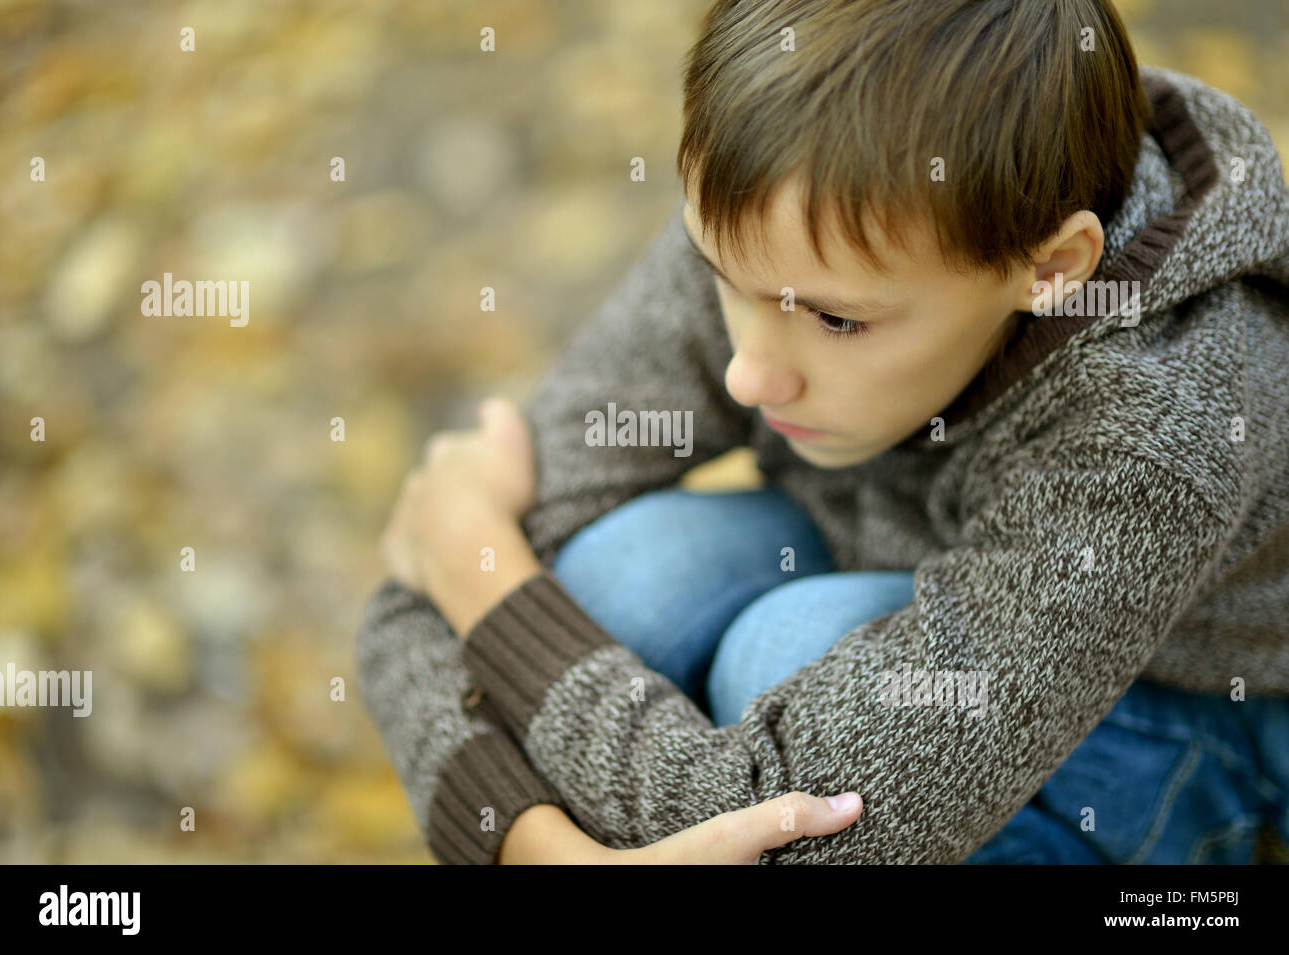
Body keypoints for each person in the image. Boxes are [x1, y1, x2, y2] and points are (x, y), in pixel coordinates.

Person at [359, 0, 1289, 864]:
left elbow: (794, 837)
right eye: (722, 275)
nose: (749, 372)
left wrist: (476, 563)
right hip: (915, 577)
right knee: (618, 579)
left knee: (779, 646)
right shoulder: (788, 211)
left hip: (1197, 720)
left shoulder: (1163, 429)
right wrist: (532, 840)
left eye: (838, 322)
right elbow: (414, 591)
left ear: (1051, 268)